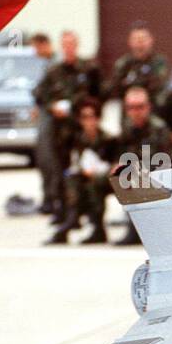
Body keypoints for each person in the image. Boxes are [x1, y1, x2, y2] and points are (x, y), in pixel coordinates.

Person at [32, 31, 101, 223]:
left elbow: (100, 93)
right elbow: (39, 95)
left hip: (82, 130)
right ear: (62, 47)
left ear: (77, 45)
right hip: (60, 131)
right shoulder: (54, 71)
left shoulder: (88, 69)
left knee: (86, 169)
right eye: (65, 44)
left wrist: (90, 114)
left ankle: (87, 211)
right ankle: (62, 210)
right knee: (59, 170)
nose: (69, 48)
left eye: (72, 44)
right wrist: (51, 107)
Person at [105, 85, 172, 246]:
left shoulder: (158, 128)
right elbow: (121, 152)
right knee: (100, 178)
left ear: (148, 107)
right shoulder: (128, 127)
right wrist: (117, 165)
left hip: (159, 173)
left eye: (140, 107)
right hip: (135, 171)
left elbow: (160, 160)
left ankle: (136, 230)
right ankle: (96, 227)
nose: (136, 111)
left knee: (131, 177)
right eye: (131, 107)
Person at [47, 98, 114, 245]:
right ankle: (72, 218)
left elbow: (115, 163)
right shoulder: (78, 140)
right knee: (72, 180)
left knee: (92, 185)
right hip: (84, 176)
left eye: (92, 116)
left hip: (106, 179)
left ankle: (90, 225)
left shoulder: (108, 140)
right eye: (84, 117)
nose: (89, 121)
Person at [108, 22, 169, 105]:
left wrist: (132, 83)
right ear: (129, 41)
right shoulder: (123, 63)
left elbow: (158, 85)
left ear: (151, 40)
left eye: (143, 39)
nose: (140, 43)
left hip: (153, 105)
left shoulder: (159, 61)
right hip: (128, 106)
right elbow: (115, 88)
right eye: (136, 39)